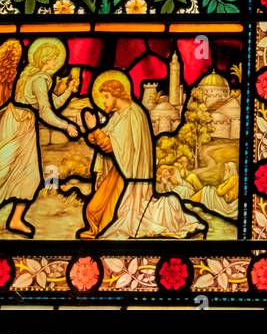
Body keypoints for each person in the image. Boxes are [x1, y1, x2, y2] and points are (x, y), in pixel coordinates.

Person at [0, 37, 80, 237]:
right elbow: (45, 111)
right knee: (3, 165)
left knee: (29, 174)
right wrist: (66, 126)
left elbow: (49, 104)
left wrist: (68, 91)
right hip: (19, 123)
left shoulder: (30, 75)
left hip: (22, 122)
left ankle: (15, 219)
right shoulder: (39, 79)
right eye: (54, 59)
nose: (56, 63)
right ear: (45, 60)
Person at [78, 71, 205, 239]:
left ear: (117, 94)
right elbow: (102, 138)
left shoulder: (132, 114)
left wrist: (94, 128)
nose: (104, 102)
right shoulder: (118, 115)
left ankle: (168, 210)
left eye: (106, 97)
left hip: (131, 176)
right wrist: (92, 130)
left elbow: (109, 145)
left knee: (107, 216)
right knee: (93, 210)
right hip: (120, 171)